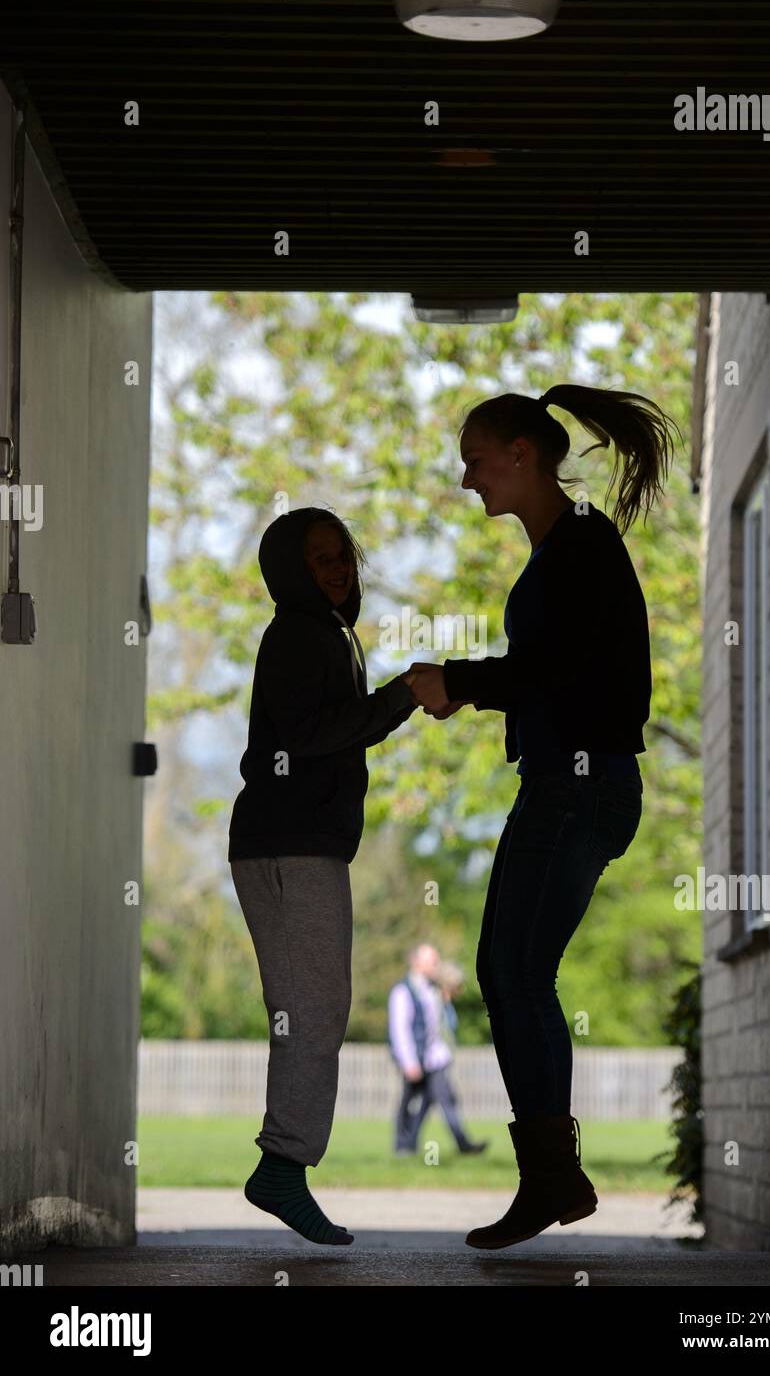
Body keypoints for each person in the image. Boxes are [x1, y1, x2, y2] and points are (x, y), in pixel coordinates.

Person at [402, 383, 679, 1249]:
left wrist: (463, 680)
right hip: (564, 782)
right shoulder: (566, 549)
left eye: (475, 461)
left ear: (522, 454)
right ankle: (550, 1178)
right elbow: (557, 669)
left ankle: (552, 1180)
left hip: (580, 786)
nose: (466, 479)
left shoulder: (584, 548)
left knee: (515, 973)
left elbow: (560, 669)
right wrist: (465, 685)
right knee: (508, 972)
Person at [228, 506, 424, 1246]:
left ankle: (285, 1163)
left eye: (342, 554)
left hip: (302, 847)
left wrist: (396, 697)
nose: (337, 567)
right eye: (319, 558)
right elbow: (311, 736)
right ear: (289, 570)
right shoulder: (295, 637)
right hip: (287, 847)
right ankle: (281, 1167)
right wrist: (402, 696)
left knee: (314, 1010)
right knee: (310, 1013)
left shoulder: (327, 635)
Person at [387, 944, 487, 1156]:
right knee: (410, 1102)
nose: (436, 966)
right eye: (432, 961)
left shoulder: (434, 990)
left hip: (435, 1060)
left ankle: (462, 1143)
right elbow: (399, 1029)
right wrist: (409, 1062)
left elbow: (443, 1024)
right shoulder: (403, 991)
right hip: (416, 1059)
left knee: (445, 1100)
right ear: (416, 963)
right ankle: (403, 1147)